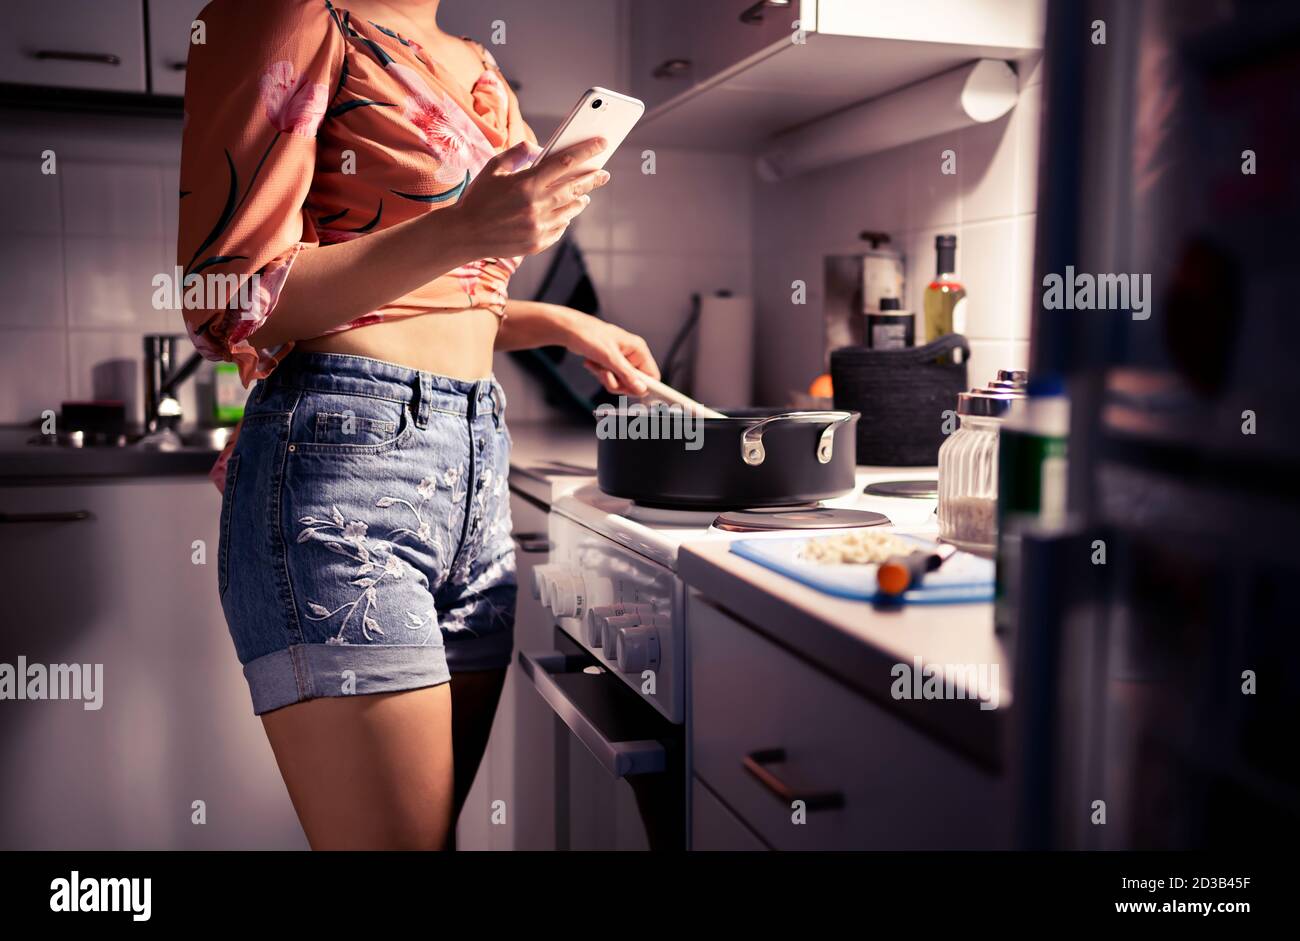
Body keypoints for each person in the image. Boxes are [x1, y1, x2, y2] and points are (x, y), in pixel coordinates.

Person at [177, 0, 659, 849]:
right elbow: (228, 297)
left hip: (476, 463)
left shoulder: (475, 65)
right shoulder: (289, 15)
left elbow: (436, 298)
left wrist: (558, 322)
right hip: (344, 466)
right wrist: (469, 224)